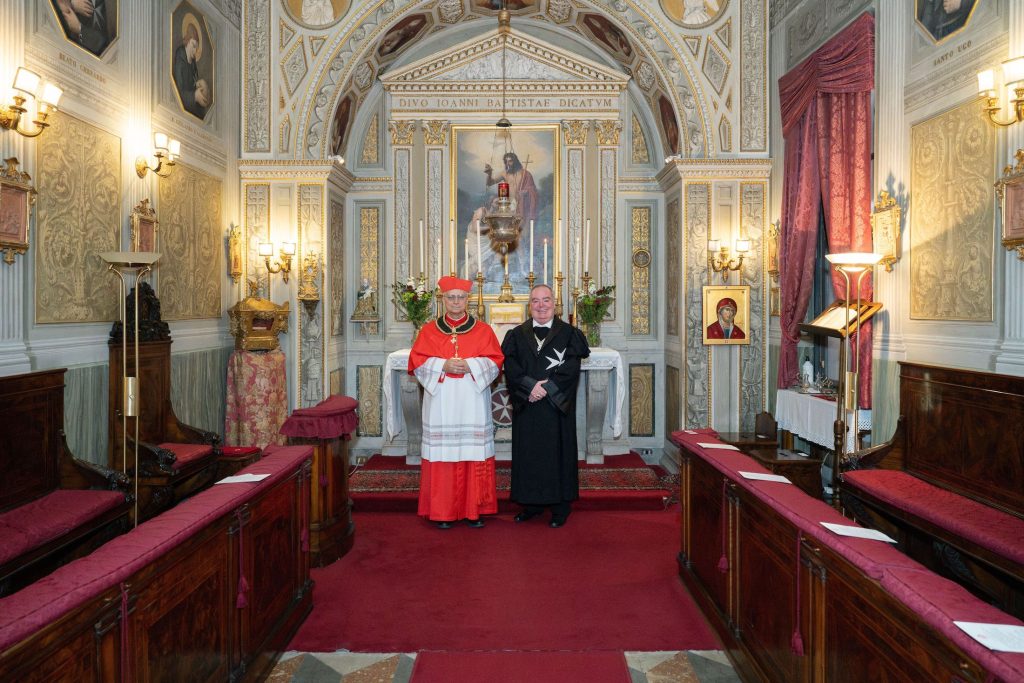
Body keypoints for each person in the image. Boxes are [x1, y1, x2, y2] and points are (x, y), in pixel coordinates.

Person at [409, 276, 504, 529]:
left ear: (467, 300)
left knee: (473, 452)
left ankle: (474, 510)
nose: (456, 301)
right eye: (450, 297)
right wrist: (443, 364)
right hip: (441, 400)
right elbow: (417, 361)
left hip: (472, 399)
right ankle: (443, 512)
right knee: (443, 455)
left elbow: (496, 361)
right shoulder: (428, 330)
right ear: (442, 299)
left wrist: (471, 364)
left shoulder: (484, 330)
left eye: (460, 297)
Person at [501, 284, 590, 528]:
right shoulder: (517, 334)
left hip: (556, 407)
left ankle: (560, 507)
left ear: (554, 302)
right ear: (529, 305)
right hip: (528, 405)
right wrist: (531, 387)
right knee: (529, 455)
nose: (541, 306)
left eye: (546, 300)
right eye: (536, 301)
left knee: (557, 455)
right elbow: (511, 367)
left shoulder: (569, 334)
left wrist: (547, 389)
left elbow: (571, 369)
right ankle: (530, 504)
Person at [484, 152, 538, 224]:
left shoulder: (525, 174)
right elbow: (490, 183)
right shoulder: (504, 173)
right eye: (506, 162)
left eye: (510, 161)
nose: (508, 163)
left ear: (515, 161)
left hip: (520, 203)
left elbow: (533, 191)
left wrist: (525, 192)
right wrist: (489, 173)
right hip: (508, 204)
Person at [173, 17, 211, 119]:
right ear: (187, 41)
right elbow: (178, 92)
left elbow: (194, 83)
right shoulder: (180, 56)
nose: (195, 51)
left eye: (196, 47)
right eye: (193, 45)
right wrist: (194, 96)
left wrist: (200, 84)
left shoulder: (193, 62)